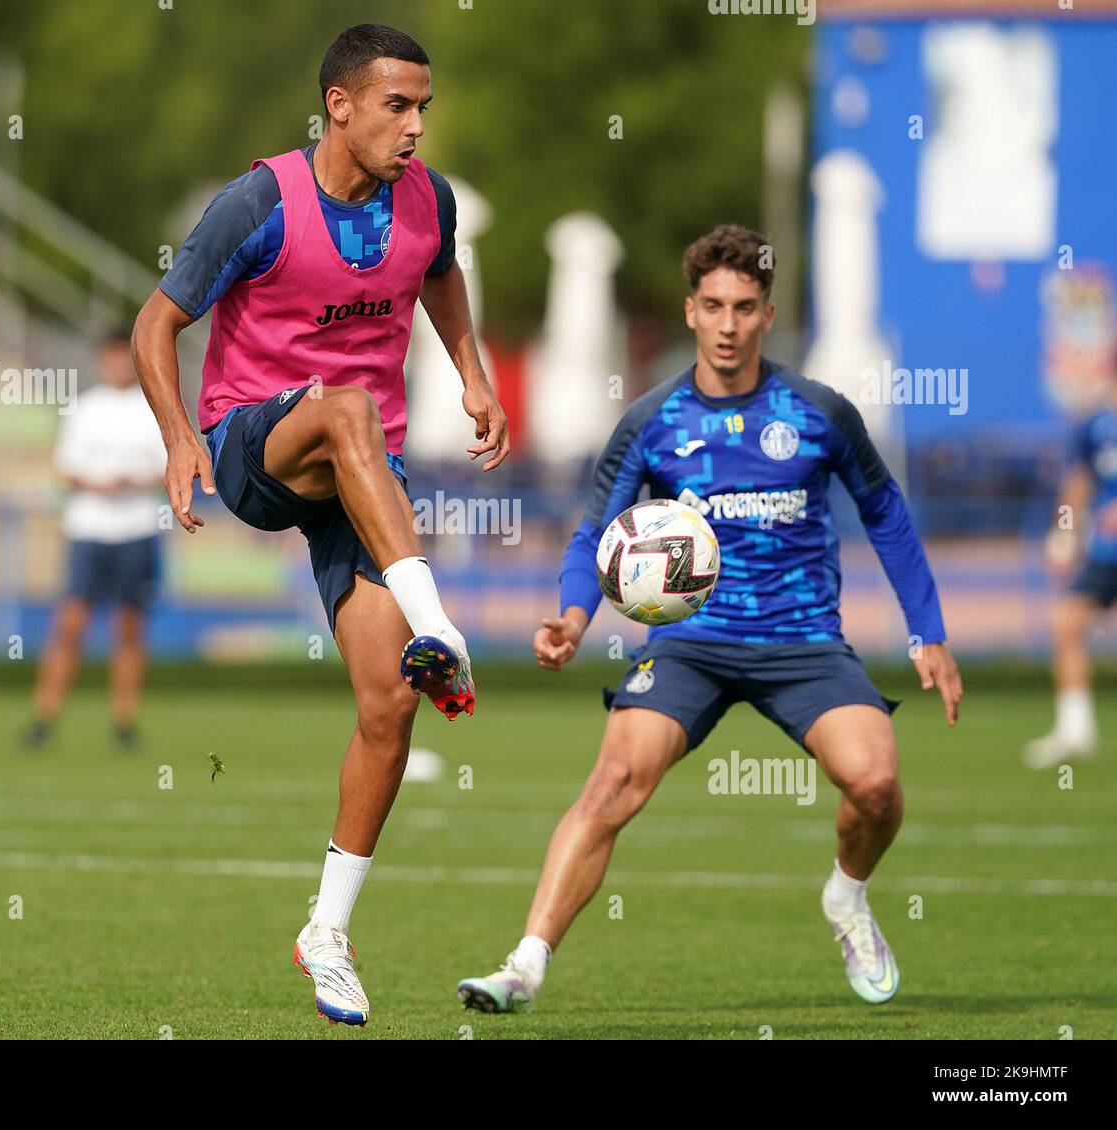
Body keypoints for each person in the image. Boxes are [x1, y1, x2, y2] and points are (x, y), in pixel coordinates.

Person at [457, 224, 961, 1014]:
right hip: (689, 645)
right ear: (691, 311)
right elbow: (596, 530)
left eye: (747, 307)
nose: (729, 324)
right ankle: (522, 966)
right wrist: (572, 617)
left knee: (878, 784)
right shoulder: (653, 421)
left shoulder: (819, 411)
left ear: (767, 314)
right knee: (611, 784)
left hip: (803, 642)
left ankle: (846, 898)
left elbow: (886, 512)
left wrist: (926, 631)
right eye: (715, 306)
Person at [131, 24, 509, 1027]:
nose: (416, 126)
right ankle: (442, 618)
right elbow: (154, 322)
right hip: (259, 447)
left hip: (360, 475)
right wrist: (178, 437)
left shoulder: (429, 201)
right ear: (338, 105)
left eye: (424, 106)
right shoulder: (257, 201)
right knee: (345, 405)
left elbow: (442, 272)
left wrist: (471, 370)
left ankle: (327, 931)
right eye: (398, 105)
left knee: (389, 705)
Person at [21, 331, 168, 751]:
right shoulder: (84, 408)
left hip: (137, 527)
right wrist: (97, 484)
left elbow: (169, 465)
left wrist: (132, 482)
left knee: (129, 626)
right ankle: (44, 716)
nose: (118, 364)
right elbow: (65, 467)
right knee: (70, 624)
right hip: (88, 528)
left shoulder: (153, 408)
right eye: (112, 357)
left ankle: (124, 722)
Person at [1024, 375, 1117, 768]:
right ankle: (1075, 729)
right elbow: (1077, 486)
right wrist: (1063, 535)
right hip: (1106, 550)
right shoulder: (1095, 425)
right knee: (1065, 620)